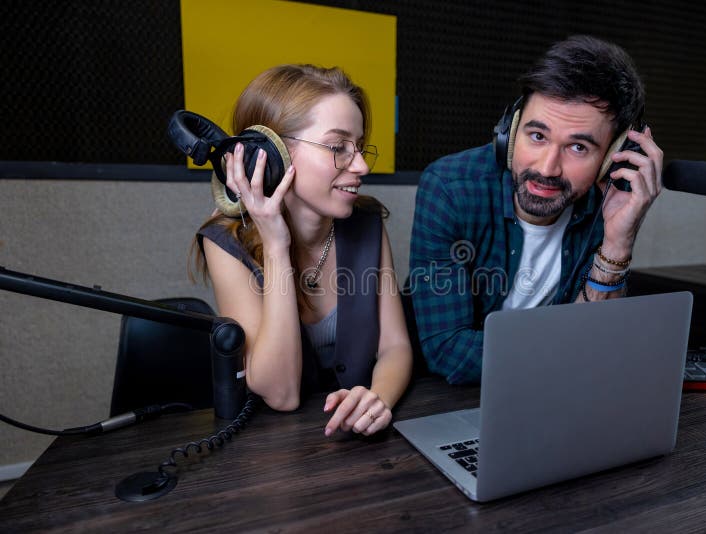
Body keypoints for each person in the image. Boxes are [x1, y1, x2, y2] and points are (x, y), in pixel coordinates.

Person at [408, 35, 663, 385]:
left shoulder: (609, 203)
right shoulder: (450, 188)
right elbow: (447, 350)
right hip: (452, 399)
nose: (547, 168)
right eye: (537, 136)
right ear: (510, 132)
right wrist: (568, 352)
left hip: (554, 394)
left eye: (577, 146)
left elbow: (601, 340)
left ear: (610, 158)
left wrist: (618, 242)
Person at [192, 64, 412, 436]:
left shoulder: (368, 223)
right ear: (271, 156)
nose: (360, 165)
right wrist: (277, 245)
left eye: (359, 147)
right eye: (338, 147)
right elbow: (281, 394)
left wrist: (377, 400)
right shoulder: (225, 244)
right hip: (275, 455)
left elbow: (396, 346)